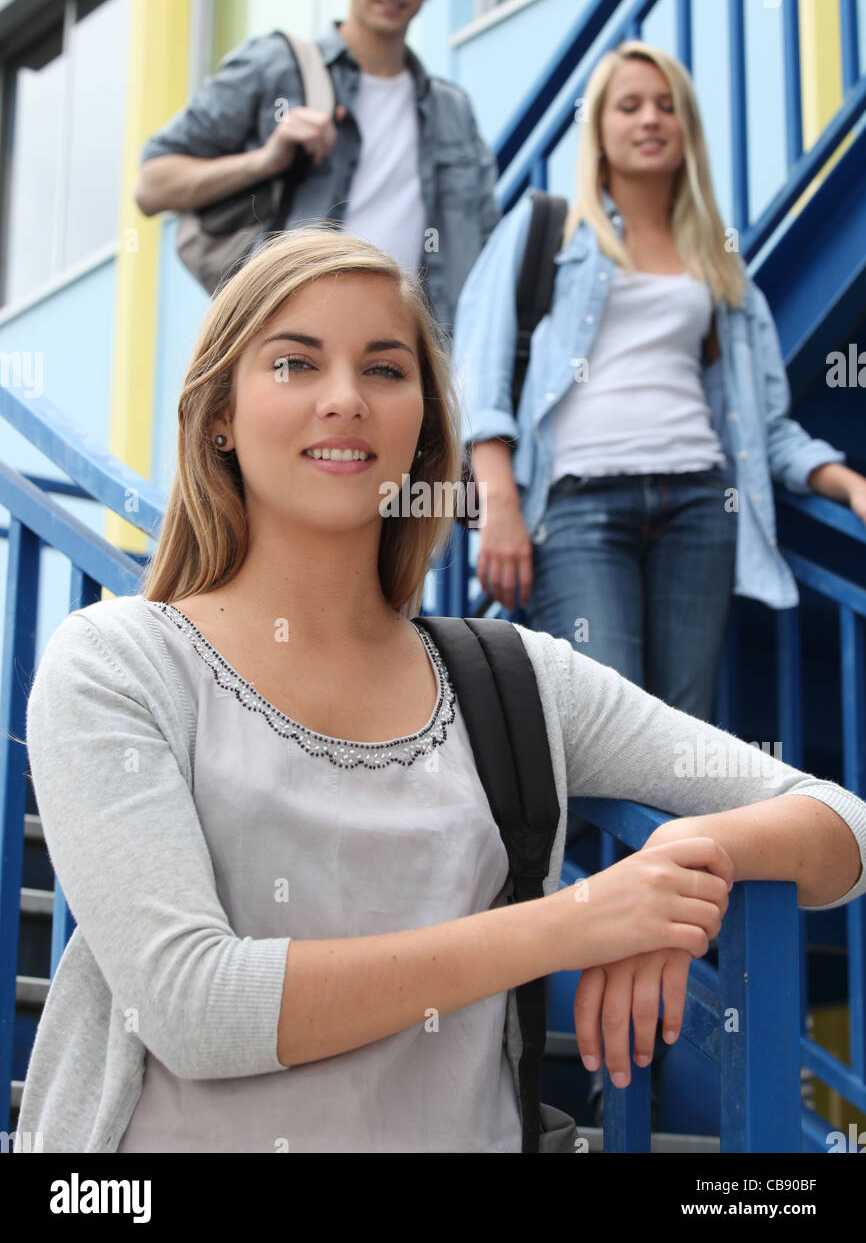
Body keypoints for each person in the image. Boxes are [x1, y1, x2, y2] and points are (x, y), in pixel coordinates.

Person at [18, 228, 866, 1154]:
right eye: (296, 363)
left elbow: (841, 828)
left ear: (423, 421)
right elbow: (193, 1006)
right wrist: (578, 921)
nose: (345, 400)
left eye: (385, 370)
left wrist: (689, 850)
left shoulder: (515, 680)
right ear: (219, 412)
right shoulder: (115, 662)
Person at [452, 41, 866, 721]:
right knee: (606, 725)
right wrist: (499, 500)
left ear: (688, 131)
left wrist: (846, 482)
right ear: (601, 130)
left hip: (699, 505)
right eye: (631, 105)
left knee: (682, 736)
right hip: (578, 506)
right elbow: (479, 373)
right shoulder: (545, 229)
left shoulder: (718, 264)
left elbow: (767, 428)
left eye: (667, 107)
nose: (651, 119)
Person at [133, 0, 499, 331]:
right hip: (292, 333)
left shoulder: (452, 112)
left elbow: (487, 252)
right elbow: (152, 186)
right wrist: (266, 161)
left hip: (412, 356)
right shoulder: (277, 66)